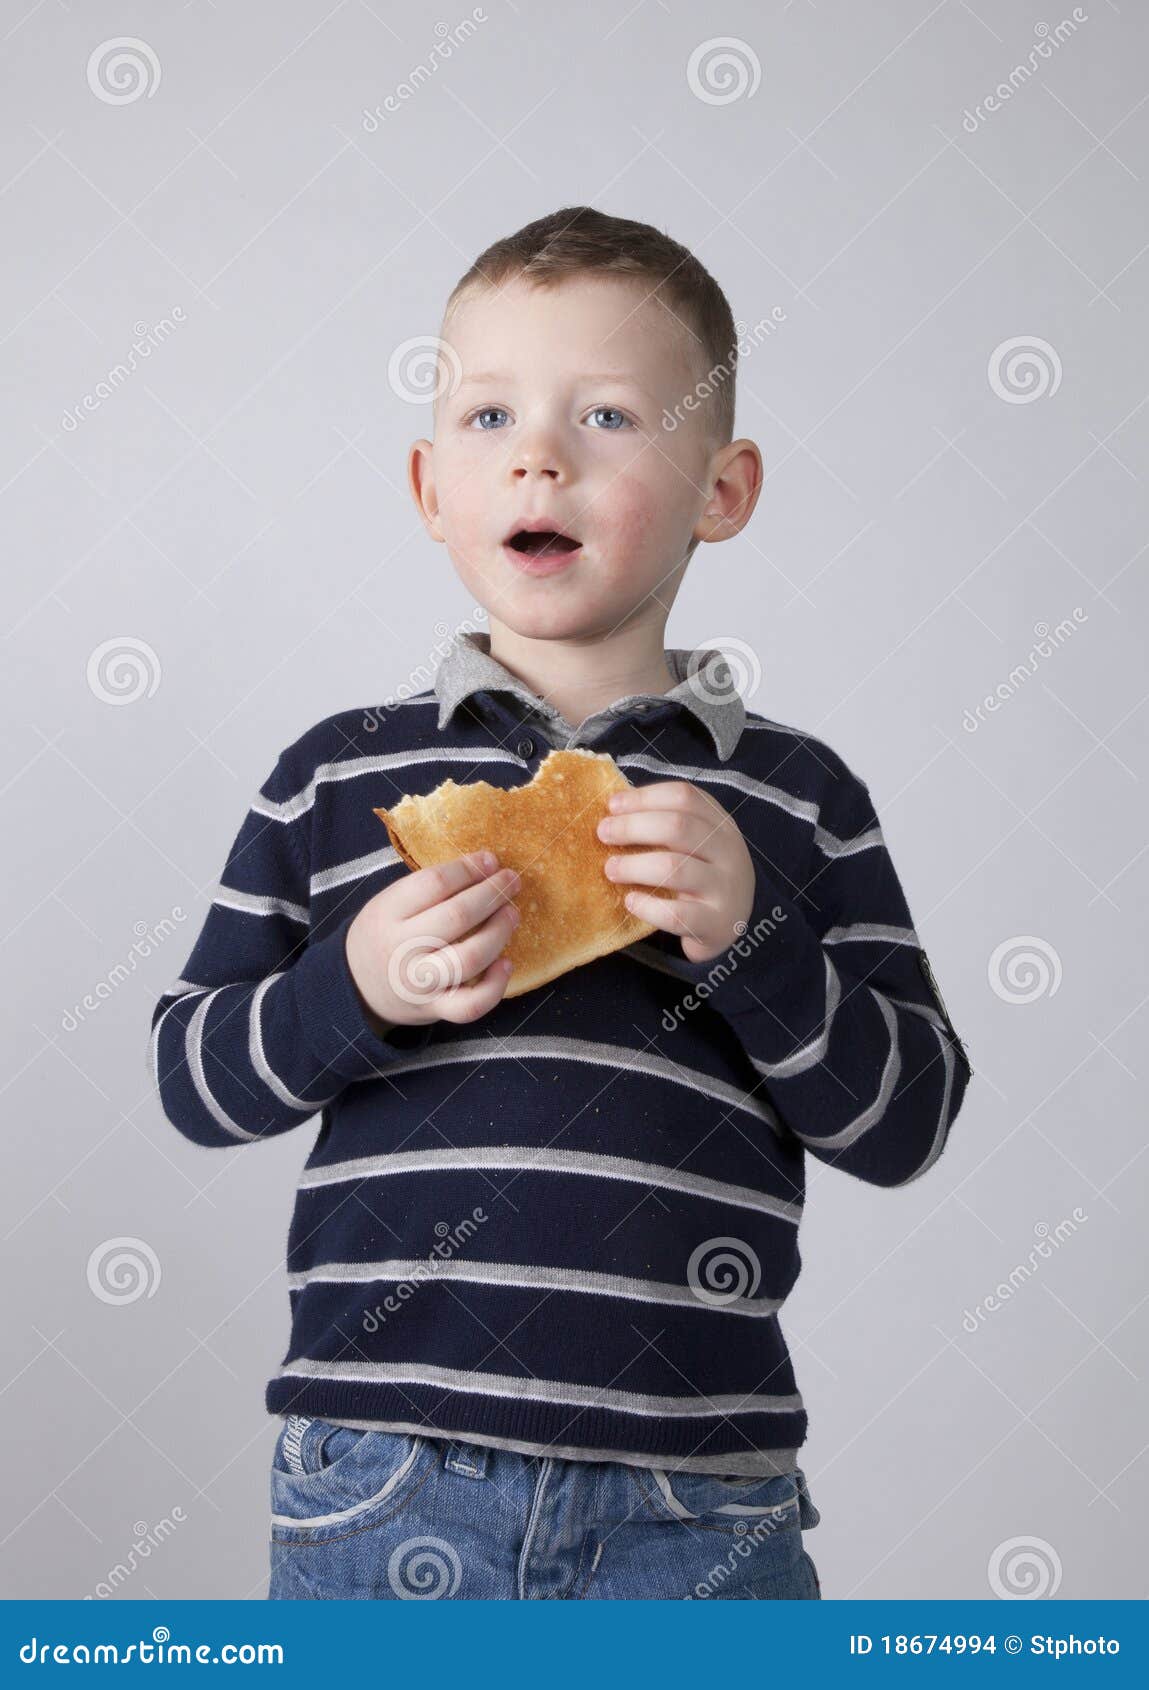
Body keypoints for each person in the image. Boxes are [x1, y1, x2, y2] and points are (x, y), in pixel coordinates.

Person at [149, 205, 973, 1600]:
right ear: (426, 486)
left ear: (721, 490)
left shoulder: (793, 797)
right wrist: (350, 986)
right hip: (382, 1458)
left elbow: (907, 1121)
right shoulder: (338, 775)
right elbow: (192, 1076)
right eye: (486, 417)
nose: (538, 453)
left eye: (605, 414)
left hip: (697, 1491)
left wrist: (752, 942)